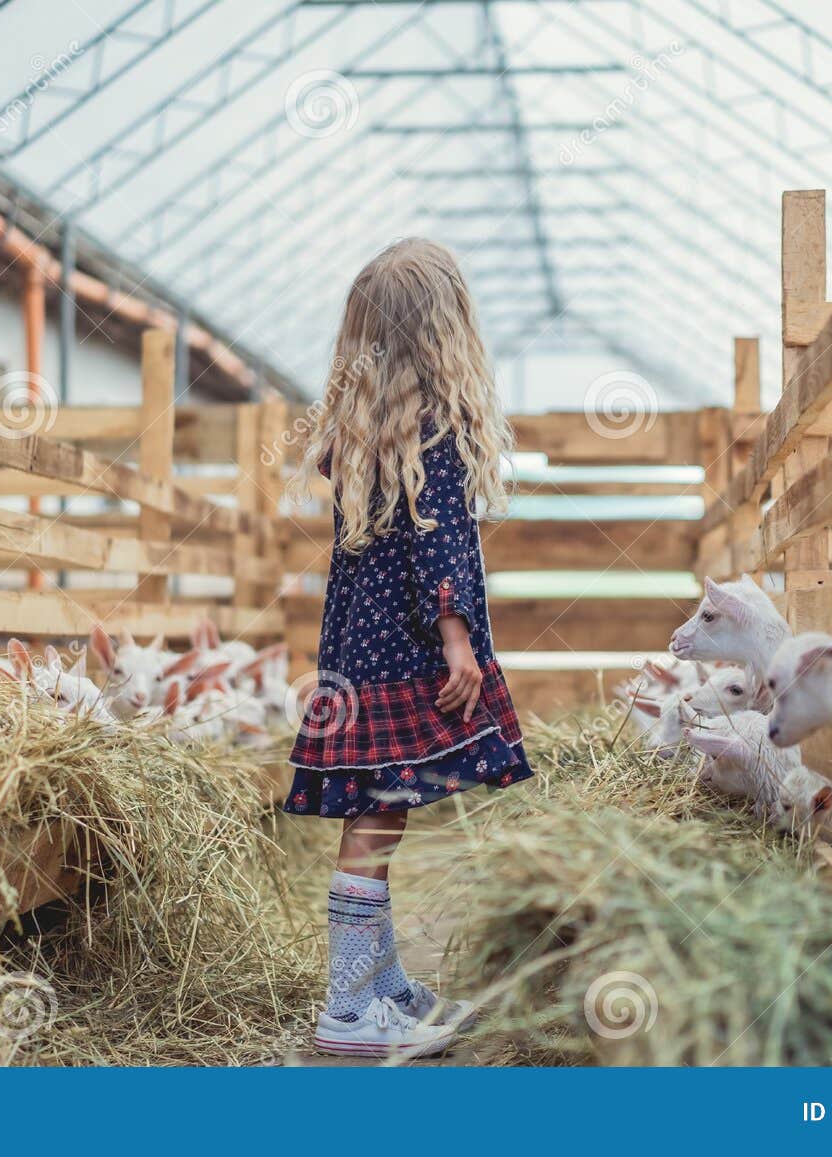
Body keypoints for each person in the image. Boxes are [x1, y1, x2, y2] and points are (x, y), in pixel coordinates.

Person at [284, 238, 533, 1058]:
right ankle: (350, 1007)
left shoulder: (363, 434)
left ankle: (382, 983)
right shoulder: (436, 431)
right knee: (379, 816)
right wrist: (458, 642)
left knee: (377, 809)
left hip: (358, 660)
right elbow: (443, 546)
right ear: (444, 331)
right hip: (410, 657)